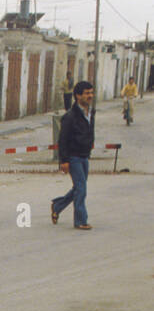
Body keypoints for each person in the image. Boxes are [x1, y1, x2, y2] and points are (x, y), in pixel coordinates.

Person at [51, 80, 95, 230]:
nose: (90, 96)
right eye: (87, 93)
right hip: (73, 157)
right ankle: (80, 220)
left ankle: (57, 206)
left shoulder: (90, 112)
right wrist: (64, 161)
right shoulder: (70, 117)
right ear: (77, 96)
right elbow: (62, 140)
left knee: (78, 188)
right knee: (81, 188)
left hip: (84, 156)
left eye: (91, 92)